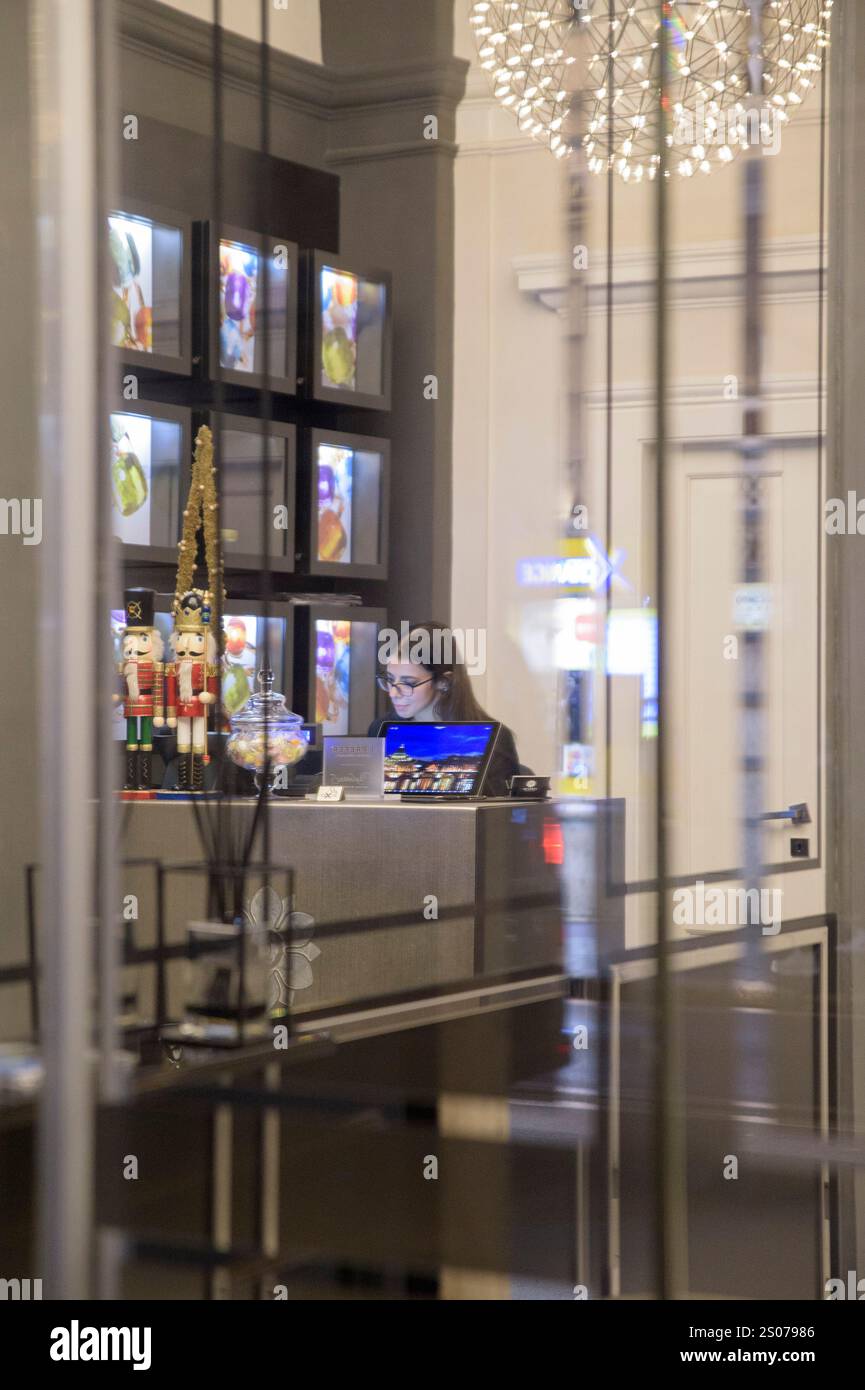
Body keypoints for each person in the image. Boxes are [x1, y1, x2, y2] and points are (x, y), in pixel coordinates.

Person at [369, 621, 523, 797]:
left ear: (444, 682)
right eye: (389, 679)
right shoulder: (380, 729)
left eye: (408, 683)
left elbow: (496, 817)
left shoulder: (496, 739)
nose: (393, 693)